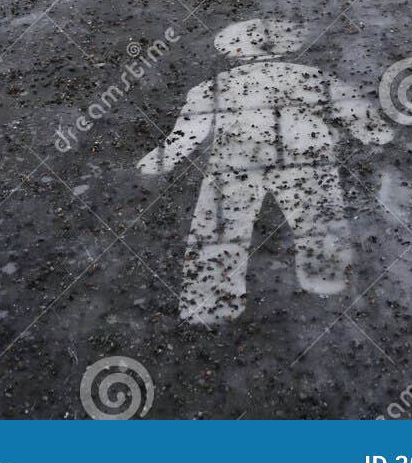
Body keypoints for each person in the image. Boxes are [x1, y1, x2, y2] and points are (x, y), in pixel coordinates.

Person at [138, 18, 393, 325]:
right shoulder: (312, 76)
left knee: (220, 228)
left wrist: (160, 160)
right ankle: (329, 281)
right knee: (318, 218)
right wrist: (375, 133)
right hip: (305, 156)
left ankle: (211, 302)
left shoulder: (215, 86)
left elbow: (187, 132)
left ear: (235, 52)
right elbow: (353, 108)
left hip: (237, 161)